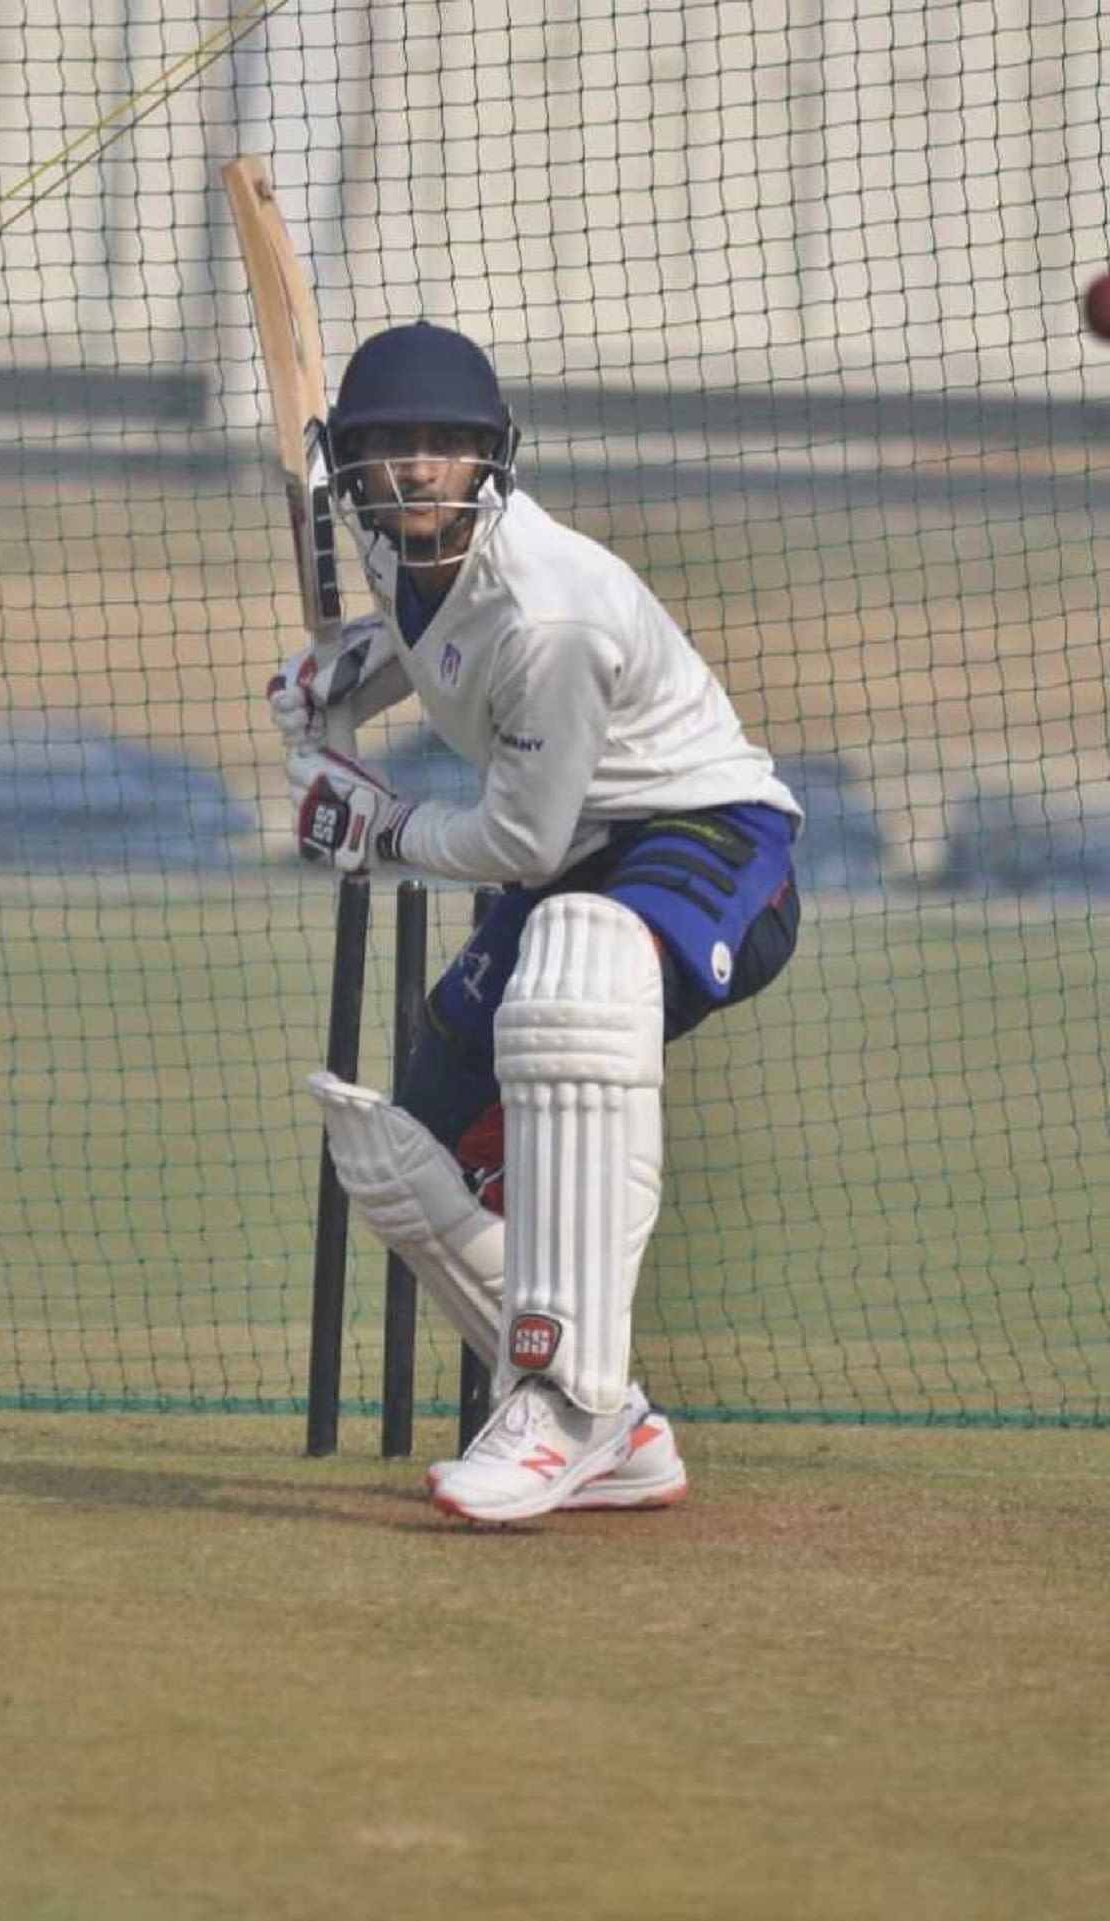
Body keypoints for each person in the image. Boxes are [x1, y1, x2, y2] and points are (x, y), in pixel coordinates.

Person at [269, 320, 802, 1524]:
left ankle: (561, 1402)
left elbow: (515, 843)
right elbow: (440, 638)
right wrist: (351, 670)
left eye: (442, 447)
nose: (415, 469)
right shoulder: (415, 561)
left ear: (489, 461)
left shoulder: (551, 611)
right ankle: (622, 1428)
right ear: (348, 467)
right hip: (577, 857)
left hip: (705, 839)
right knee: (404, 1161)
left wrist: (378, 829)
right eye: (388, 448)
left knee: (576, 977)